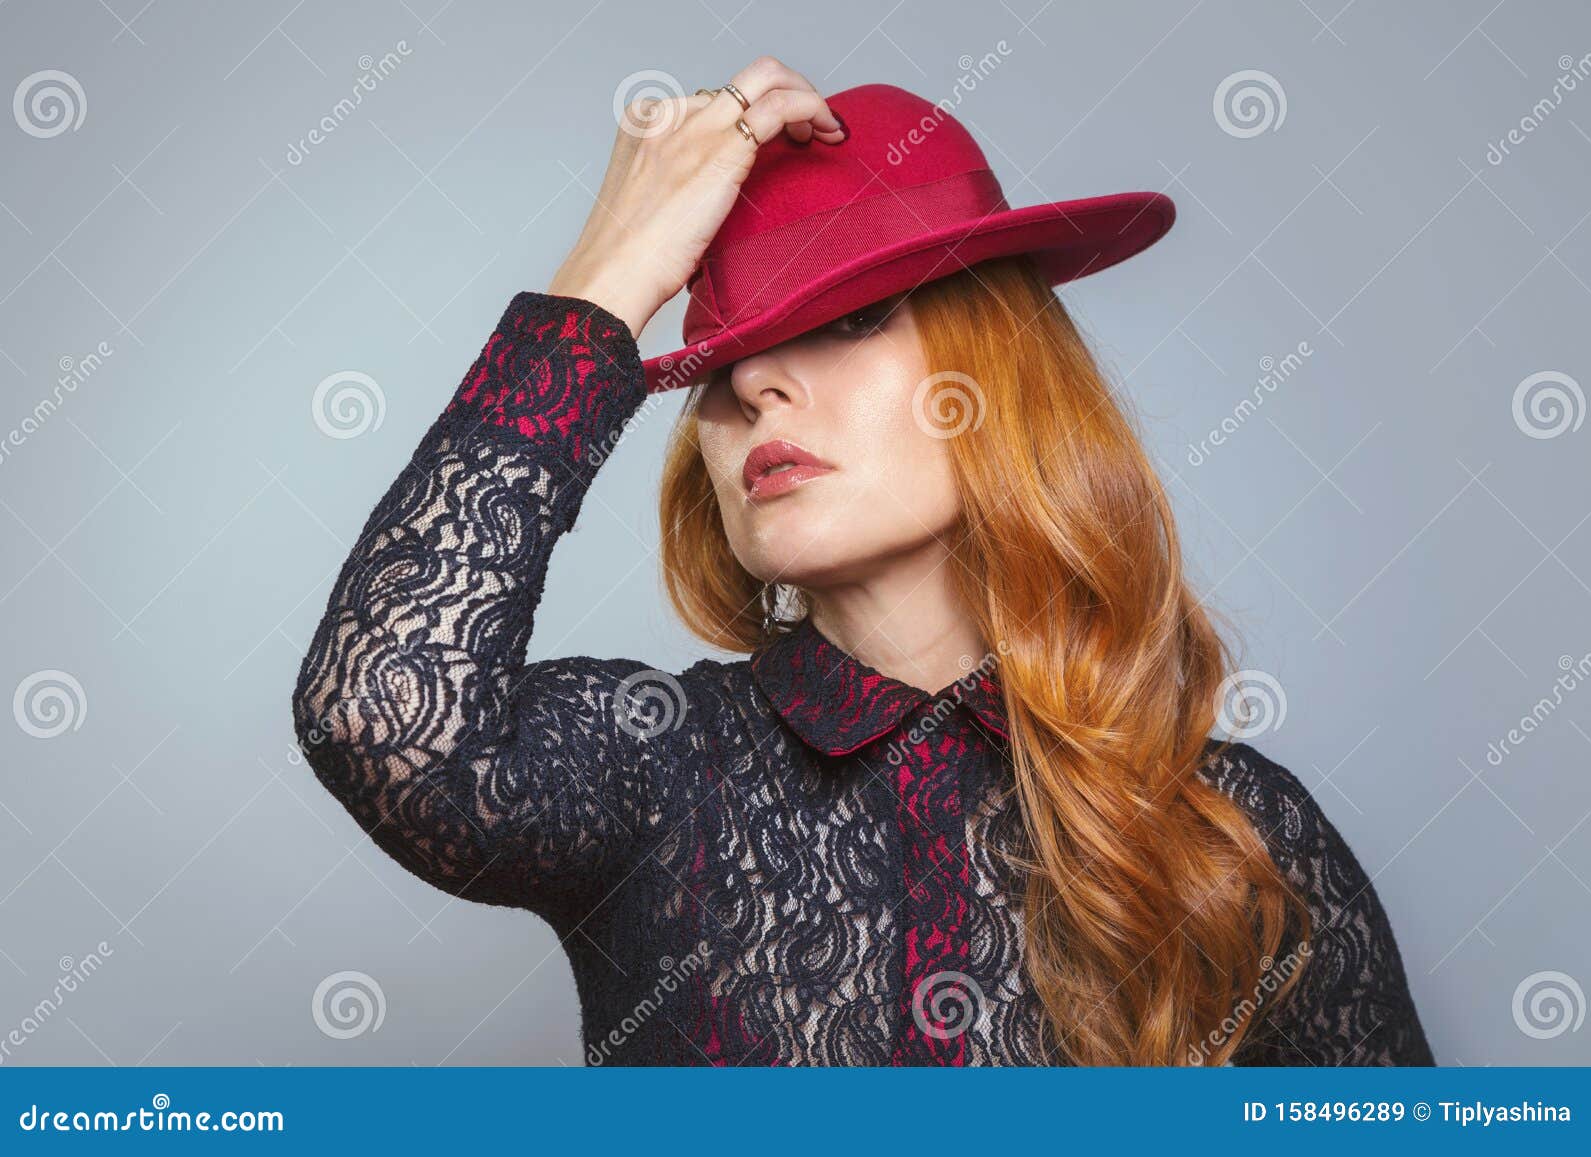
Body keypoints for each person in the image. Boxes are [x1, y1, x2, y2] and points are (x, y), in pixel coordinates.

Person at [291, 57, 1434, 1066]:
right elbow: (378, 717)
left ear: (997, 376)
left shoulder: (1235, 834)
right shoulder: (655, 767)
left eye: (848, 319)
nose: (749, 386)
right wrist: (612, 270)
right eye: (725, 359)